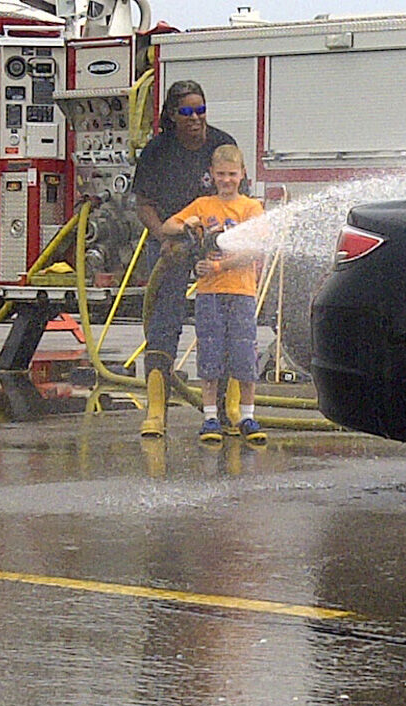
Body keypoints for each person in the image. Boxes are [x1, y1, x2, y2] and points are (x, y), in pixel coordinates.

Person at [132, 80, 239, 438]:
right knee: (163, 320)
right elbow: (144, 204)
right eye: (187, 112)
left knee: (223, 320)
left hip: (214, 241)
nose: (195, 119)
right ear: (172, 116)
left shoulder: (221, 145)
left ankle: (226, 410)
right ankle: (157, 411)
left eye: (201, 110)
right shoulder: (157, 152)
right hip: (171, 244)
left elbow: (235, 193)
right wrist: (164, 235)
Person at [162, 144, 267, 445]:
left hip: (242, 292)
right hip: (208, 295)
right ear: (212, 174)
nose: (226, 180)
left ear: (242, 174)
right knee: (209, 355)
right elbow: (170, 225)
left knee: (245, 355)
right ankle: (210, 417)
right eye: (221, 174)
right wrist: (189, 223)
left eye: (232, 174)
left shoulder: (251, 209)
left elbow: (255, 250)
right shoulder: (203, 205)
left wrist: (219, 266)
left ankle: (246, 415)